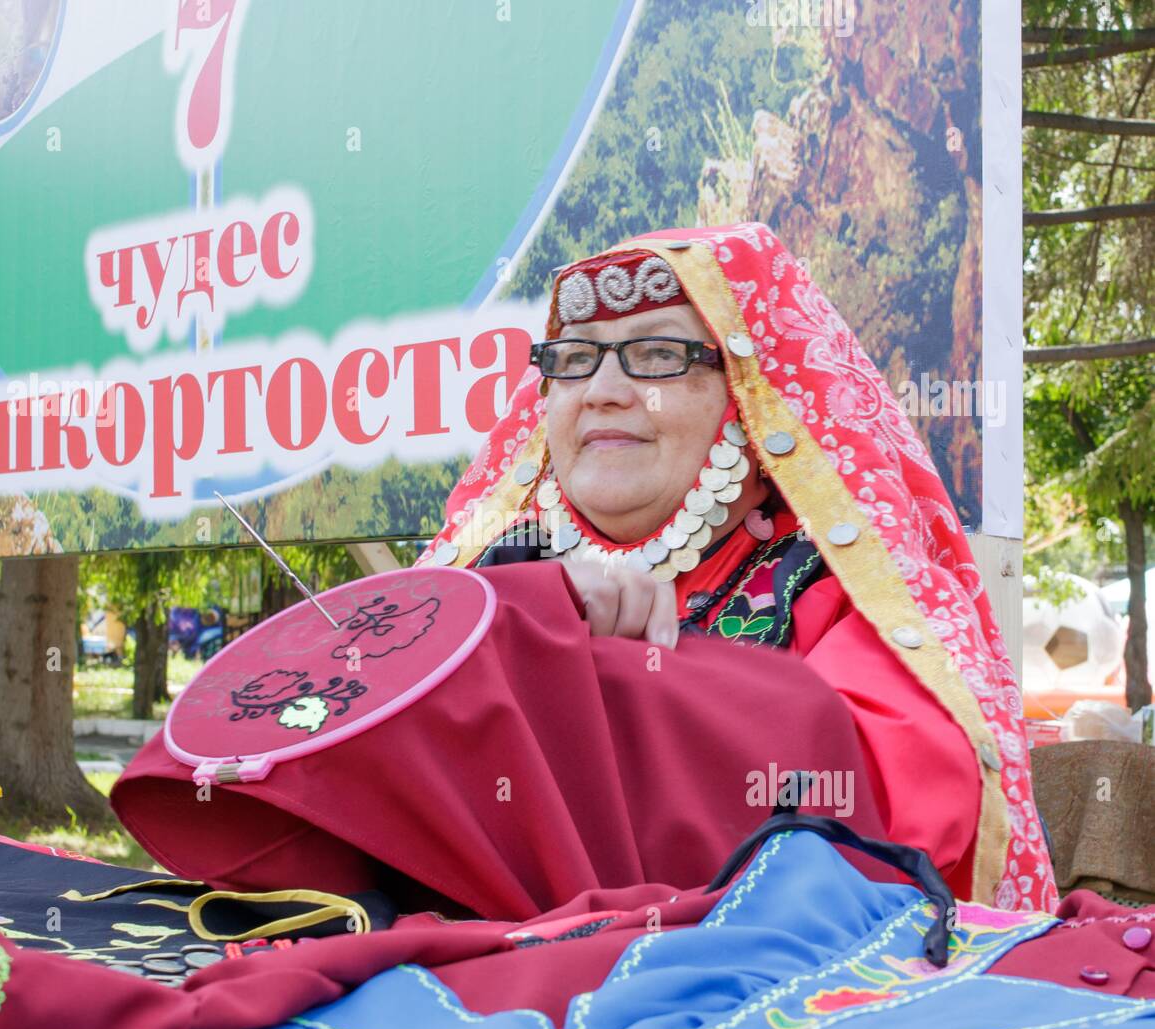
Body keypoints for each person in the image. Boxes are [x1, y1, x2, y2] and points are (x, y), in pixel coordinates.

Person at [417, 223, 1057, 913]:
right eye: (573, 358)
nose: (601, 389)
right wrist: (516, 615)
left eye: (657, 354)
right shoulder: (482, 587)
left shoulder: (861, 594)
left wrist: (626, 676)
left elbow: (882, 832)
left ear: (752, 398)